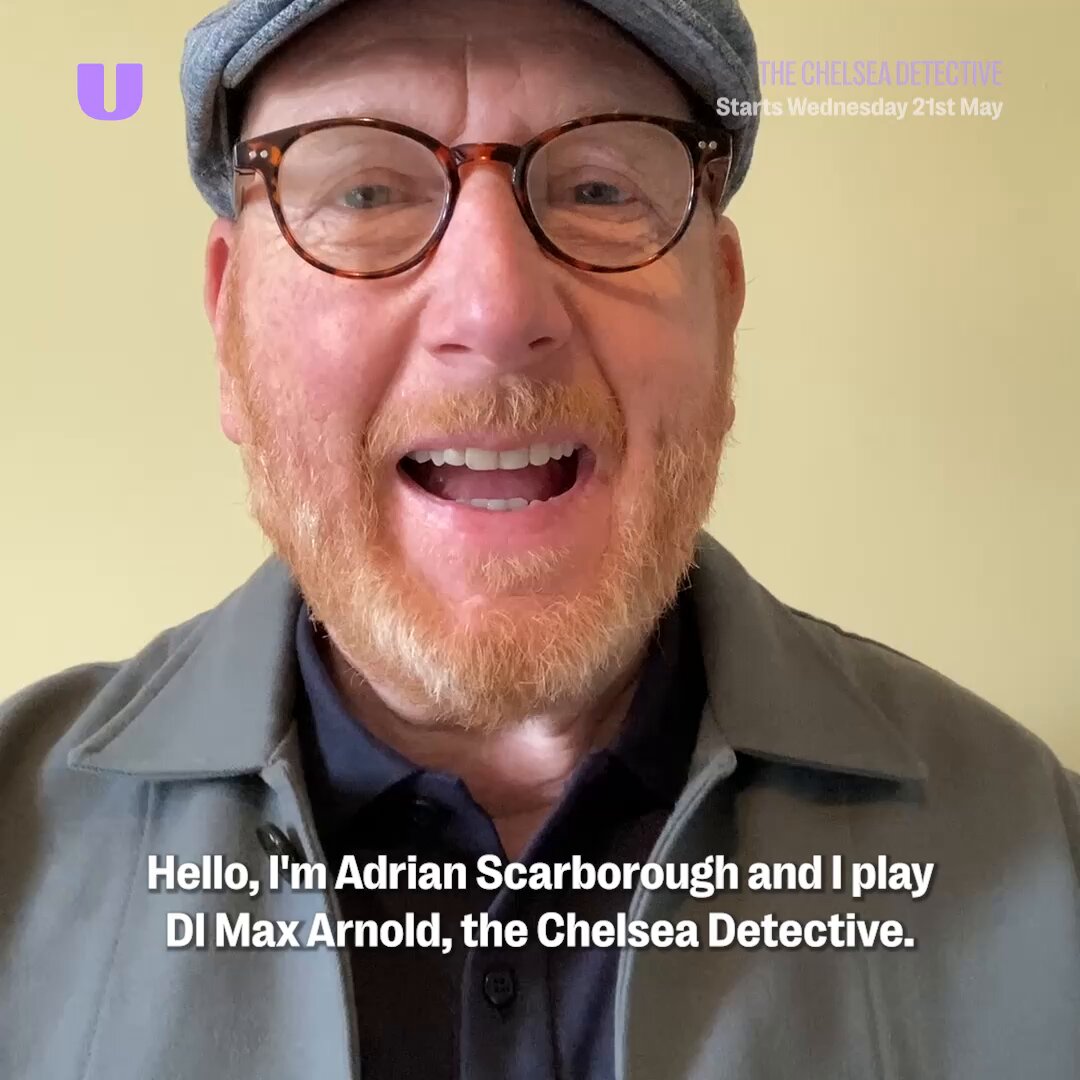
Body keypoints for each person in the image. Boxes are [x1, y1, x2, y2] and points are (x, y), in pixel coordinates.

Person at [1, 0, 1077, 1076]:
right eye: (366, 192)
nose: (498, 308)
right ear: (228, 321)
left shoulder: (1041, 846)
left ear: (724, 308)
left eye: (601, 190)